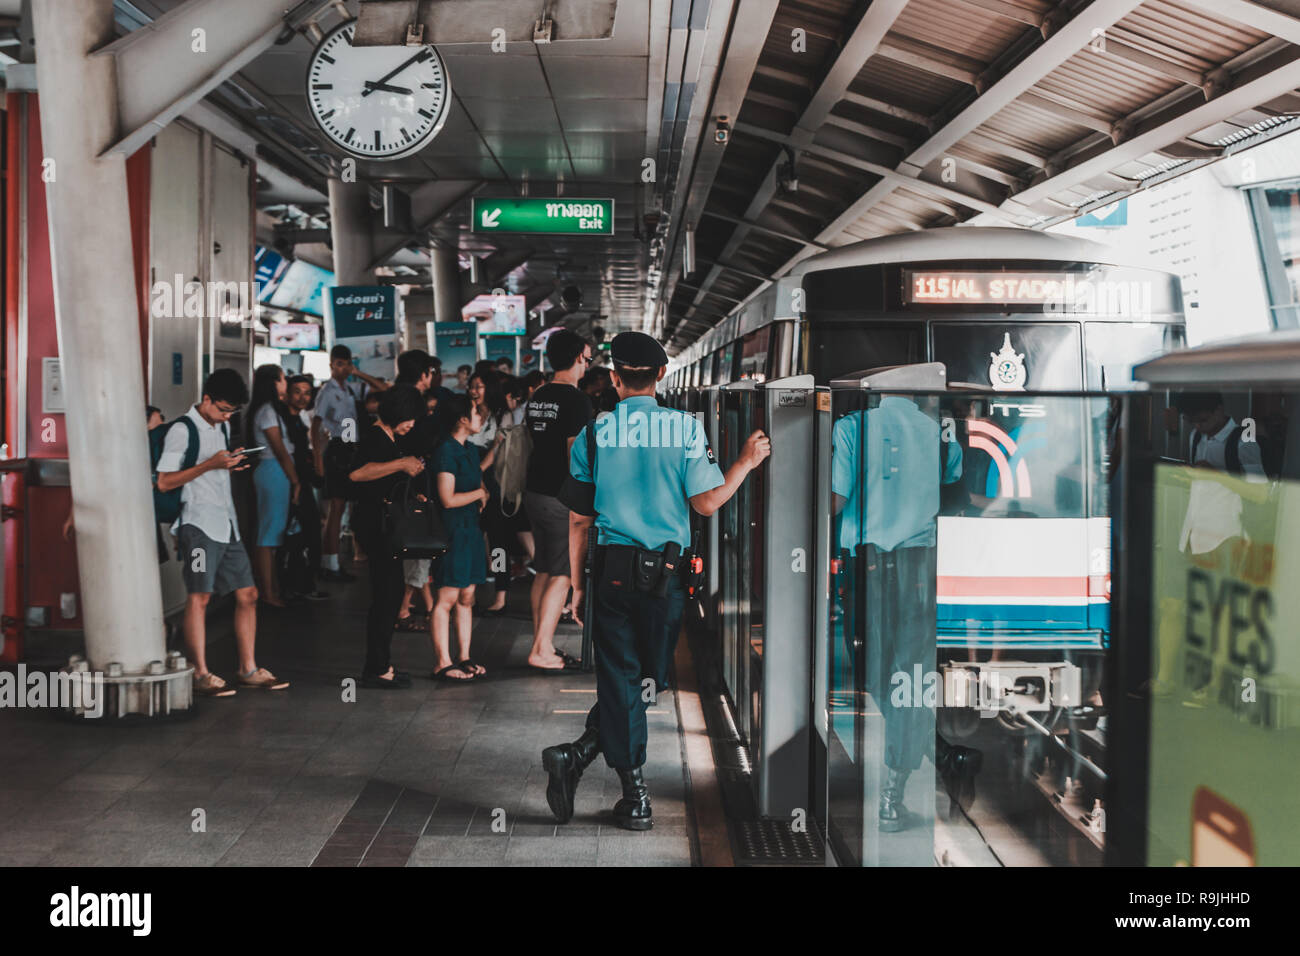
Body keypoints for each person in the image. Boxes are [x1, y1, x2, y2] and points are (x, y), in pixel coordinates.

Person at [542, 332, 770, 830]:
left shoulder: (595, 433)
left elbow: (579, 518)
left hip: (612, 572)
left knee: (625, 678)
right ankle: (633, 792)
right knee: (648, 680)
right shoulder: (685, 429)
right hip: (665, 574)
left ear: (615, 379)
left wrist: (578, 586)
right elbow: (706, 503)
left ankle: (579, 755)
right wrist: (746, 464)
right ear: (663, 375)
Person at [155, 369, 289, 696]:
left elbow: (217, 467)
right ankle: (200, 673)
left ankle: (248, 668)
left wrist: (231, 463)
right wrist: (209, 465)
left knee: (248, 594)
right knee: (199, 596)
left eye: (232, 412)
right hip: (197, 524)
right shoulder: (182, 432)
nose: (227, 416)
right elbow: (164, 482)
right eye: (223, 409)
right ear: (206, 399)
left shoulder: (223, 427)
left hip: (226, 523)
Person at [347, 385, 428, 689]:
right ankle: (377, 668)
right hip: (375, 526)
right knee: (386, 596)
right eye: (410, 418)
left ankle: (381, 664)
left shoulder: (392, 437)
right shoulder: (375, 437)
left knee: (390, 596)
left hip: (385, 526)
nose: (412, 424)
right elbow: (357, 474)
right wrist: (401, 464)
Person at [523, 330, 593, 671]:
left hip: (534, 491)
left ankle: (541, 641)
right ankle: (541, 649)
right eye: (589, 358)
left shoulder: (539, 395)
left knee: (545, 570)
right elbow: (573, 455)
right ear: (580, 356)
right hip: (558, 497)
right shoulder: (576, 400)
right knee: (564, 575)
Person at [429, 394, 491, 681]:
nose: (480, 416)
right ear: (463, 419)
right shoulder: (446, 451)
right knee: (447, 597)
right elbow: (447, 499)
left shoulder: (469, 450)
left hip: (471, 530)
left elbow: (476, 479)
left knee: (467, 596)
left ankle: (464, 656)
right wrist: (479, 494)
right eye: (476, 412)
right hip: (452, 531)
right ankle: (443, 661)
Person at [314, 345, 388, 581]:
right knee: (335, 509)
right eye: (339, 364)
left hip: (351, 449)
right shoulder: (327, 392)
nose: (343, 368)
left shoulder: (351, 389)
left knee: (343, 508)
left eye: (347, 364)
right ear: (331, 365)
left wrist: (358, 373)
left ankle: (332, 561)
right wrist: (318, 457)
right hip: (337, 448)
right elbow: (316, 425)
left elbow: (383, 389)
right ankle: (330, 563)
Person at [246, 364, 300, 608]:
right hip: (274, 471)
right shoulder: (268, 412)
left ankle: (271, 587)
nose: (285, 382)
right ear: (273, 382)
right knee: (268, 535)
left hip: (275, 471)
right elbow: (279, 450)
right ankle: (267, 591)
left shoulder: (268, 410)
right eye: (282, 378)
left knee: (273, 531)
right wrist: (295, 479)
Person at [467, 369, 511, 613]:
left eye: (479, 386)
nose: (474, 391)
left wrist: (478, 473)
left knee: (498, 542)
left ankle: (501, 595)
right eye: (472, 386)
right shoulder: (466, 412)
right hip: (467, 480)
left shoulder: (502, 415)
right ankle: (470, 593)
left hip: (493, 482)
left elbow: (497, 448)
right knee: (472, 539)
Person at [281, 375, 328, 601]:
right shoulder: (282, 420)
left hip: (303, 481)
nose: (302, 397)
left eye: (307, 392)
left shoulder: (302, 420)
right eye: (297, 391)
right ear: (287, 393)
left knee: (307, 535)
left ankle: (303, 584)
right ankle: (296, 585)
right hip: (290, 483)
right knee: (297, 537)